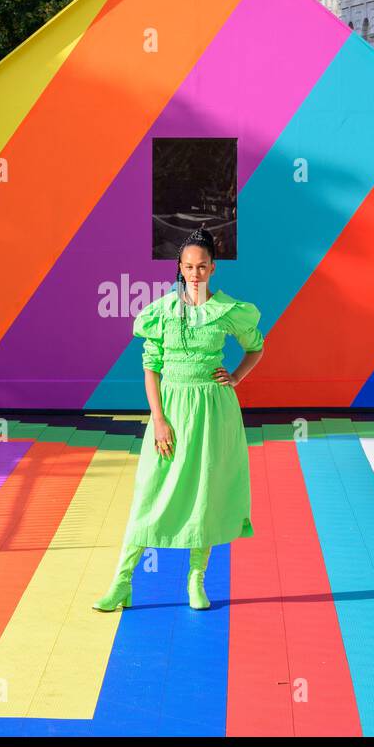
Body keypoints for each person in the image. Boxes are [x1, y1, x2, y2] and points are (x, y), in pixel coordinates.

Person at [93, 227, 265, 612]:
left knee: (204, 494)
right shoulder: (161, 313)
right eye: (188, 266)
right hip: (169, 410)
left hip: (212, 412)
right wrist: (158, 419)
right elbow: (150, 367)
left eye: (202, 267)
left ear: (213, 268)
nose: (195, 274)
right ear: (179, 268)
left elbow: (256, 346)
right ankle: (122, 582)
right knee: (150, 493)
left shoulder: (228, 311)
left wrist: (235, 377)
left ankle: (196, 580)